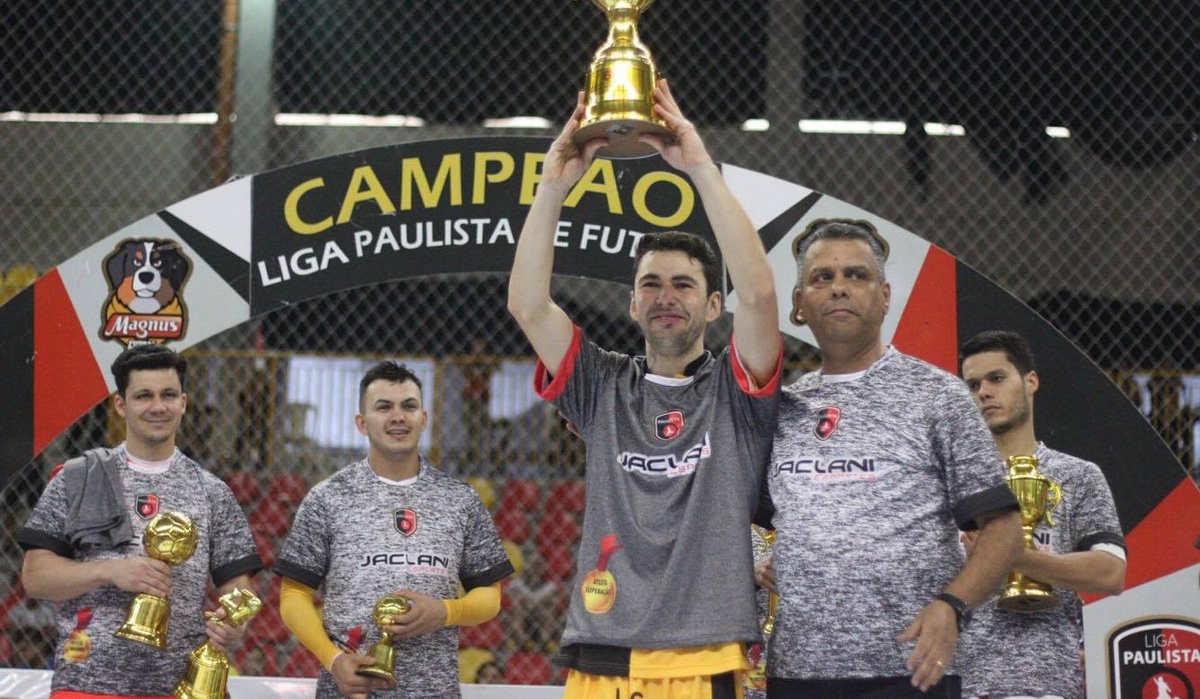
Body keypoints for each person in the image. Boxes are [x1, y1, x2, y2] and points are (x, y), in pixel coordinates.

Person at [507, 79, 783, 699]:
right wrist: (553, 185)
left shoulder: (736, 390)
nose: (665, 297)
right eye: (651, 284)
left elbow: (762, 296)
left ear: (714, 305)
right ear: (631, 303)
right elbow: (528, 304)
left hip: (704, 655)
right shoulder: (603, 385)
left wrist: (699, 169)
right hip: (603, 651)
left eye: (683, 285)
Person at [760, 219, 1024, 698]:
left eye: (856, 276)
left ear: (884, 296)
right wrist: (759, 559)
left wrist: (953, 606)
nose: (839, 287)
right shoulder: (781, 410)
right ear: (798, 306)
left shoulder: (937, 396)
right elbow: (744, 518)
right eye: (822, 278)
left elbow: (1003, 527)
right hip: (795, 675)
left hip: (910, 674)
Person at [17, 344, 262, 698]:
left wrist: (233, 622)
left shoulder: (212, 491)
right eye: (144, 395)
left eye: (168, 395)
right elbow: (35, 577)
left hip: (178, 686)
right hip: (86, 682)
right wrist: (109, 571)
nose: (158, 406)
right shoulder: (78, 478)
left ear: (184, 402)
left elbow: (239, 588)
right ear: (121, 404)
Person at [274, 360, 515, 699]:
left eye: (409, 406)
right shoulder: (328, 498)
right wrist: (335, 660)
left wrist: (445, 611)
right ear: (362, 423)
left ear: (424, 418)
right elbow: (293, 596)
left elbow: (490, 597)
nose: (398, 416)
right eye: (384, 407)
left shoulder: (460, 499)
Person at [957, 330, 1126, 699]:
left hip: (1049, 687)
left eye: (996, 378)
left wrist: (1010, 555)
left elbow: (1111, 572)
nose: (983, 392)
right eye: (972, 385)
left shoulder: (1078, 476)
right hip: (960, 687)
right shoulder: (946, 483)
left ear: (1030, 381)